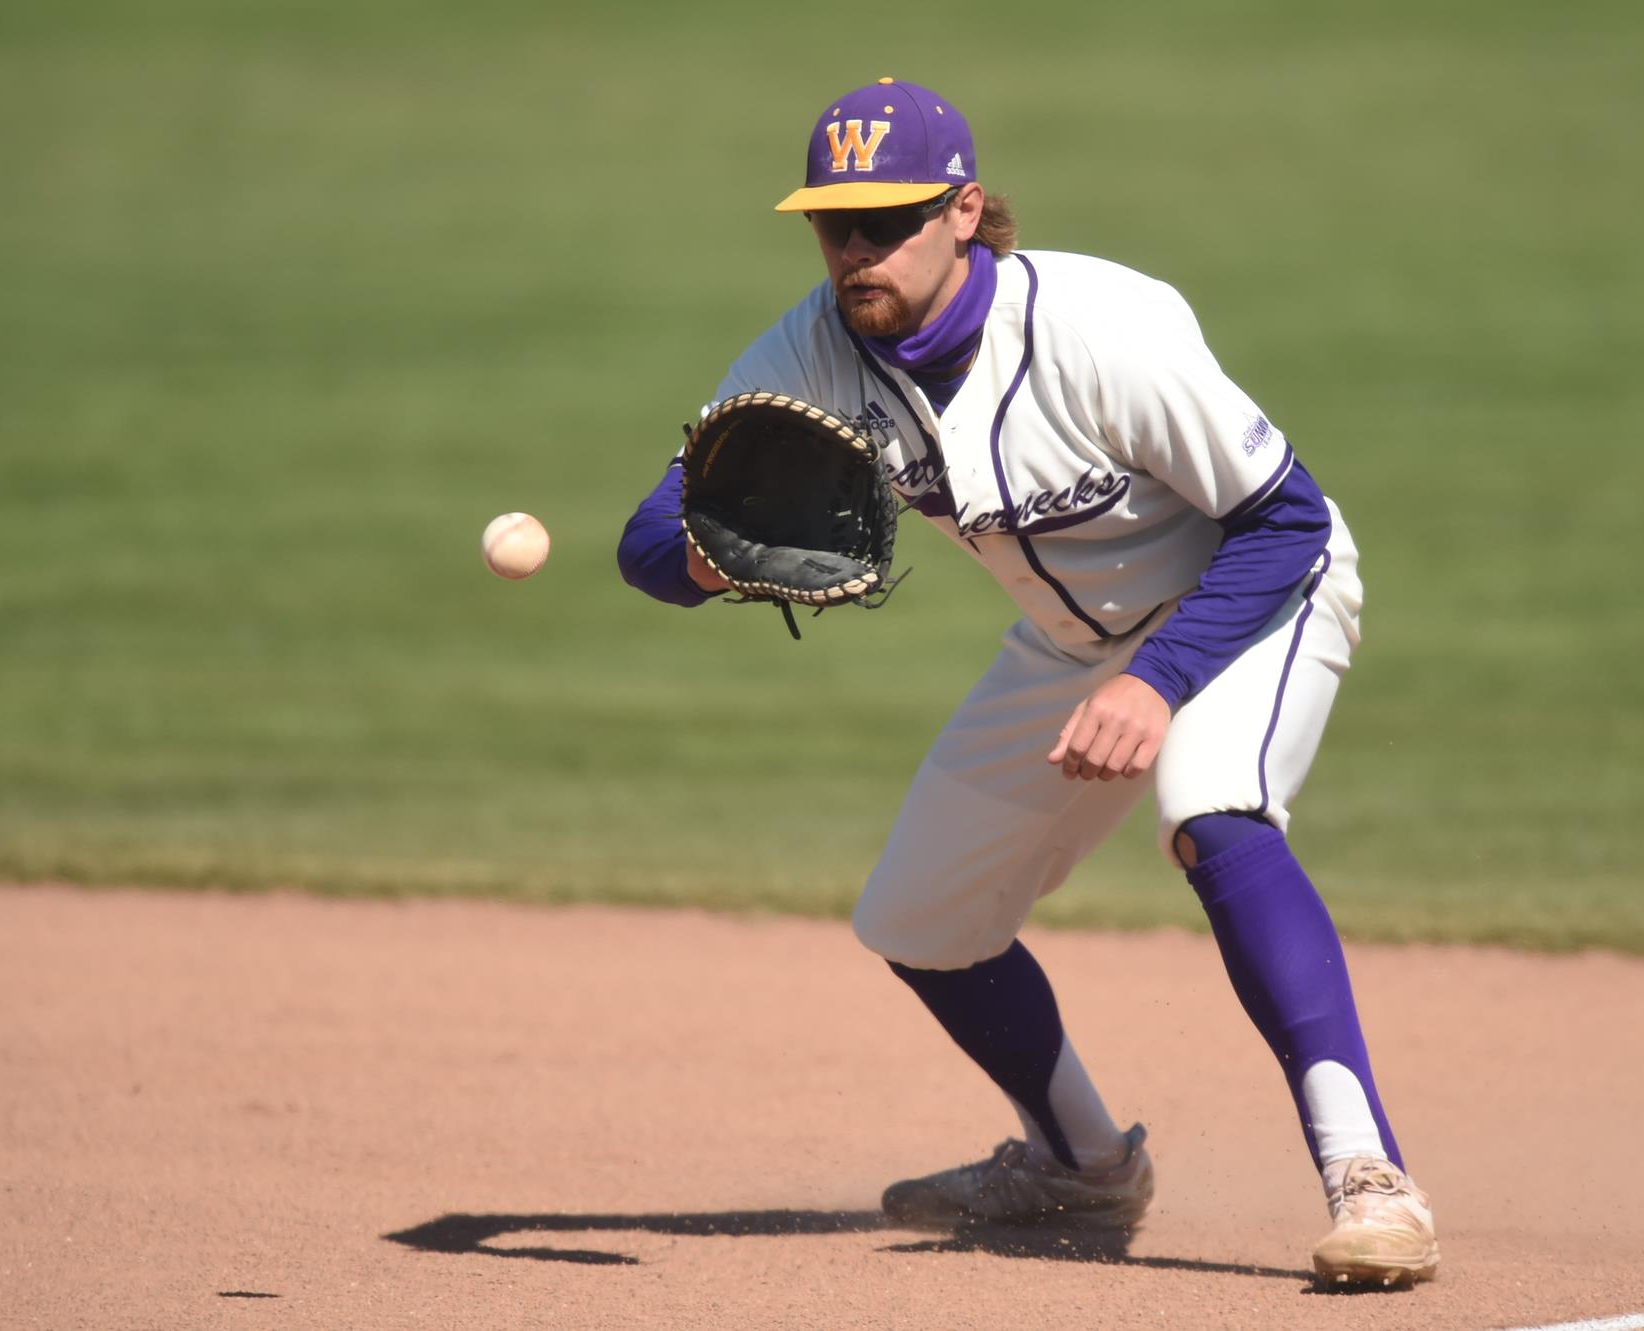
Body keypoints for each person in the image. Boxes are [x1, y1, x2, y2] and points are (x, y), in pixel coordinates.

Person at [616, 76, 1437, 1287]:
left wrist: (1158, 682)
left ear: (963, 211)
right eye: (834, 225)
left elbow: (1285, 522)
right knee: (919, 917)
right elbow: (648, 540)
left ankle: (1371, 1181)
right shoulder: (808, 352)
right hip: (1068, 646)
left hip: (1252, 598)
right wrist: (699, 558)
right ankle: (1080, 1167)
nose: (856, 251)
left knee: (1210, 809)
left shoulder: (1100, 327)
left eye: (886, 221)